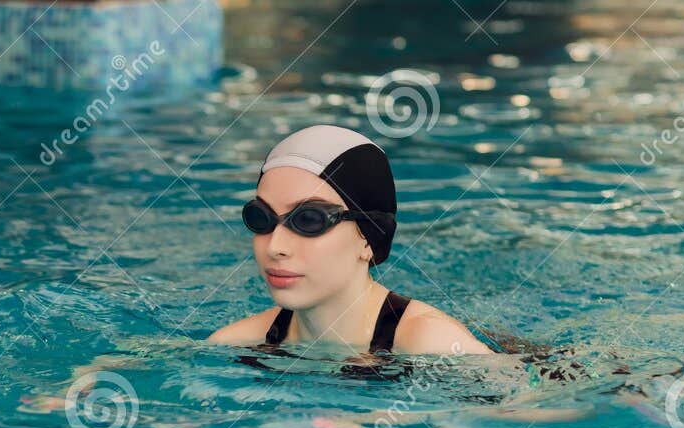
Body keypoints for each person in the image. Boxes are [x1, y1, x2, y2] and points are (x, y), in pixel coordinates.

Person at [207, 125, 492, 358]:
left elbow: (524, 410)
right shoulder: (236, 343)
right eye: (262, 219)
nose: (274, 247)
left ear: (368, 238)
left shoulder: (432, 342)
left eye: (309, 220)